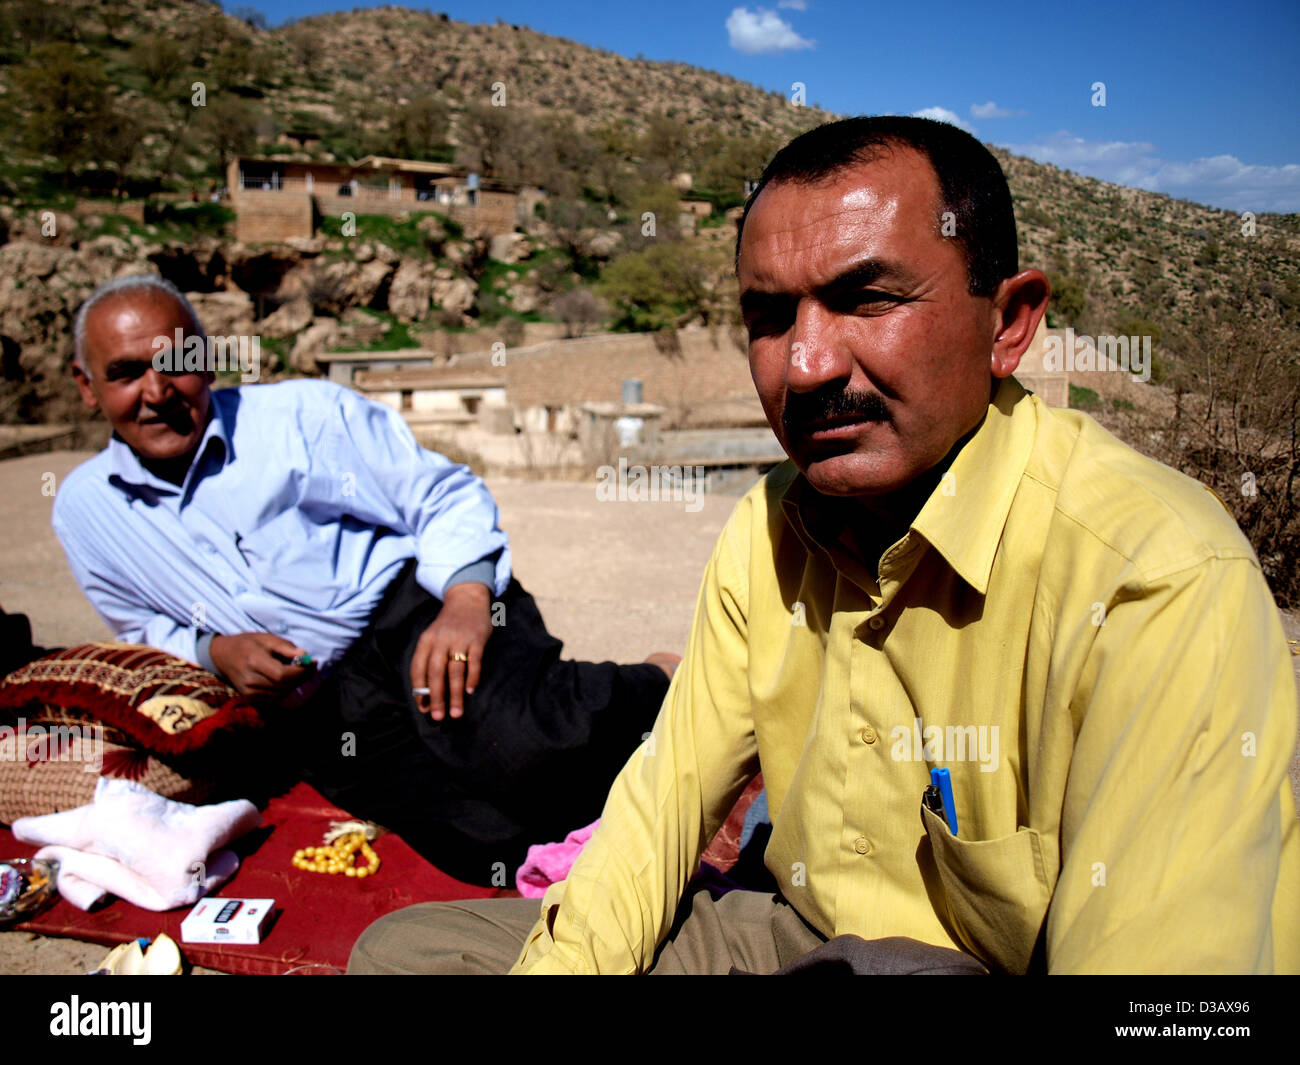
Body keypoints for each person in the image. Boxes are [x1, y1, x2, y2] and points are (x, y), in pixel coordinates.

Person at [349, 115, 1300, 973]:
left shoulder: (1154, 576)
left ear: (1008, 324)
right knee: (408, 952)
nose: (805, 366)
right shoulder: (769, 527)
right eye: (769, 317)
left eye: (868, 298)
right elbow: (664, 805)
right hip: (798, 936)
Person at [53, 274, 676, 883]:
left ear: (209, 361)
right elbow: (140, 627)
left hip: (415, 610)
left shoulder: (302, 414)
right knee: (485, 841)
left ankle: (657, 681)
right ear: (86, 387)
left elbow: (440, 494)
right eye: (126, 373)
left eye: (176, 363)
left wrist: (464, 602)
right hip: (313, 704)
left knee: (524, 746)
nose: (157, 391)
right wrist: (214, 650)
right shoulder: (85, 512)